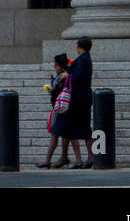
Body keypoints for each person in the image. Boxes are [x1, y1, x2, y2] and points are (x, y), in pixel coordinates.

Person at [36, 53, 72, 168]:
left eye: (55, 64)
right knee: (64, 134)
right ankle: (64, 157)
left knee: (55, 133)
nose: (54, 66)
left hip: (60, 107)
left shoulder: (63, 76)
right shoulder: (63, 75)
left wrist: (51, 88)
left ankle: (48, 160)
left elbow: (56, 88)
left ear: (59, 65)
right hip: (62, 107)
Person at [65, 37, 94, 169]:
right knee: (85, 128)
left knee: (73, 129)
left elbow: (77, 78)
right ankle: (90, 157)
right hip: (84, 97)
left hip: (79, 98)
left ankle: (79, 160)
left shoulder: (82, 59)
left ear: (79, 47)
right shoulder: (86, 58)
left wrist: (67, 76)